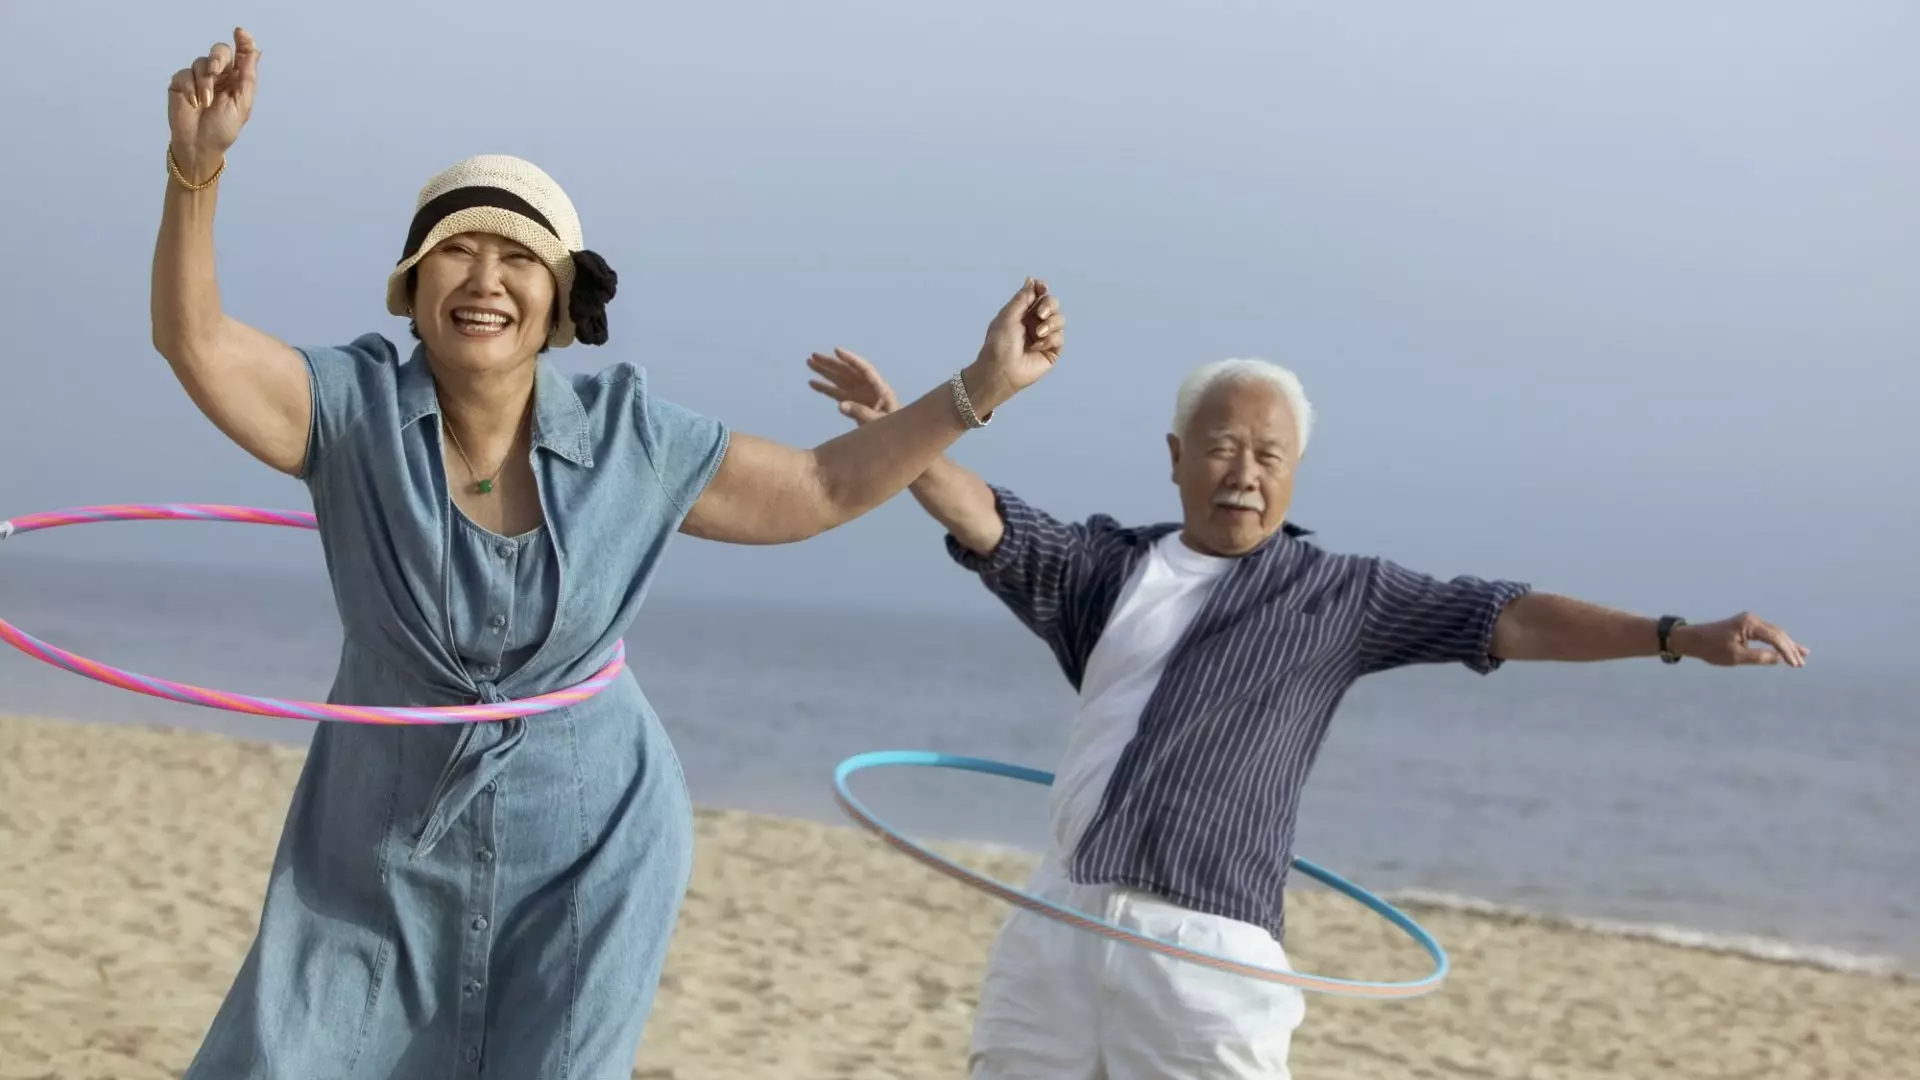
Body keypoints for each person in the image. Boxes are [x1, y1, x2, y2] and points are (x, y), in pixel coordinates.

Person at [152, 28, 1066, 1078]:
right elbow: (197, 340)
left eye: (517, 256)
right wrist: (196, 166)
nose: (484, 277)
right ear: (414, 282)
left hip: (590, 847)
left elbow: (822, 486)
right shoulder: (350, 411)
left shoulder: (635, 439)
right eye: (457, 248)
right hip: (376, 847)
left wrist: (977, 388)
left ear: (559, 299)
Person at [806, 347, 1806, 1079]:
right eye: (1222, 448)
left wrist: (1675, 633)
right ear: (1175, 456)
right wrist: (904, 428)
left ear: (1293, 472)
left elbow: (1512, 618)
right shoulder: (1102, 569)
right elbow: (981, 511)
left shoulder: (1344, 595)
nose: (1244, 472)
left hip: (1210, 954)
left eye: (1269, 455)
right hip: (1059, 920)